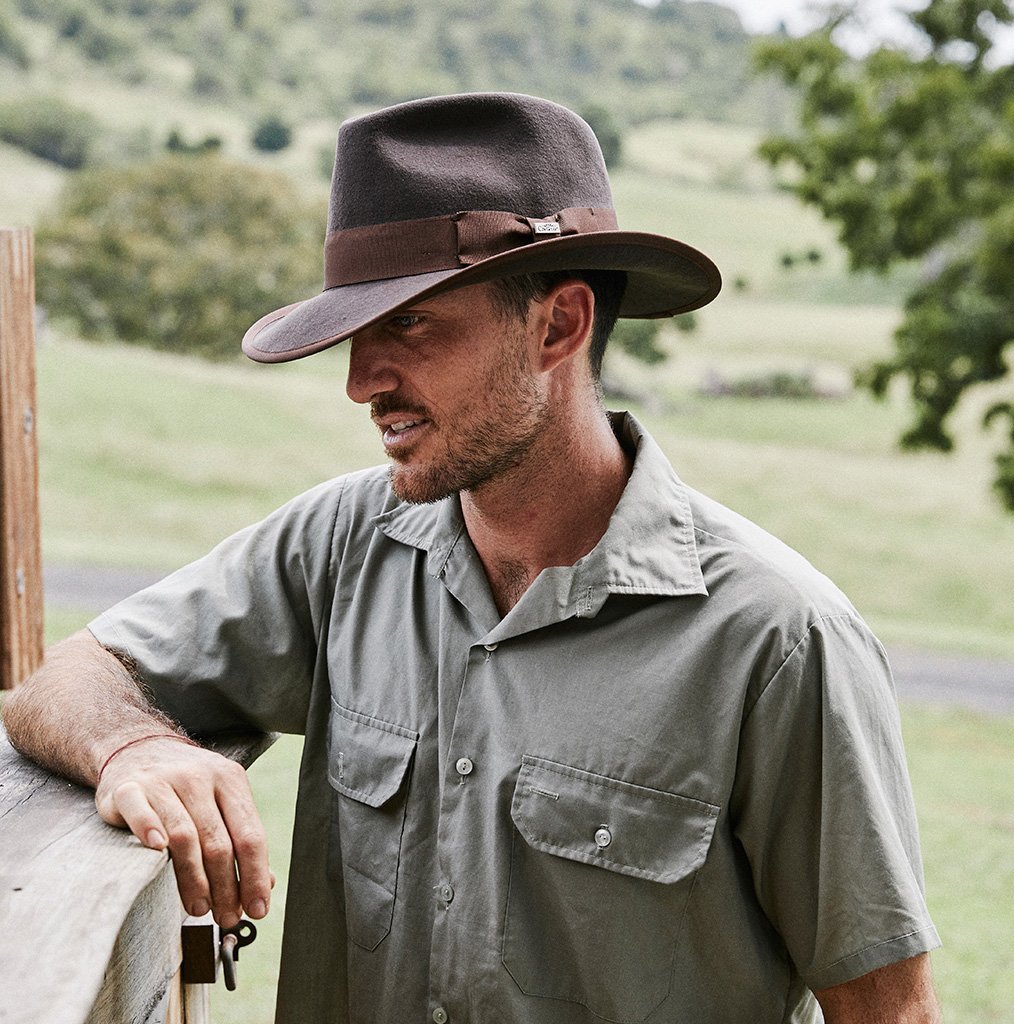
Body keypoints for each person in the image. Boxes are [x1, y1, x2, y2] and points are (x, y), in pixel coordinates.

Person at [5, 93, 942, 1023]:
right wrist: (132, 748)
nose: (360, 381)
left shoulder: (777, 641)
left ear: (557, 327)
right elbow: (60, 685)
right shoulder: (340, 546)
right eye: (353, 331)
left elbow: (888, 1011)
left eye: (408, 324)